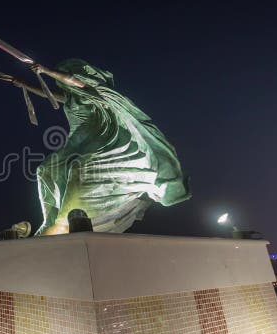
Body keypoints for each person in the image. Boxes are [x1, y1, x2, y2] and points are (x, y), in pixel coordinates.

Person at [31, 59, 190, 235]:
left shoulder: (91, 91)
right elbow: (49, 95)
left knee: (81, 169)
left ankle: (64, 220)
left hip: (104, 138)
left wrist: (45, 71)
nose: (62, 82)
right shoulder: (72, 98)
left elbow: (73, 80)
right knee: (45, 169)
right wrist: (22, 84)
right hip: (79, 141)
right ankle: (49, 220)